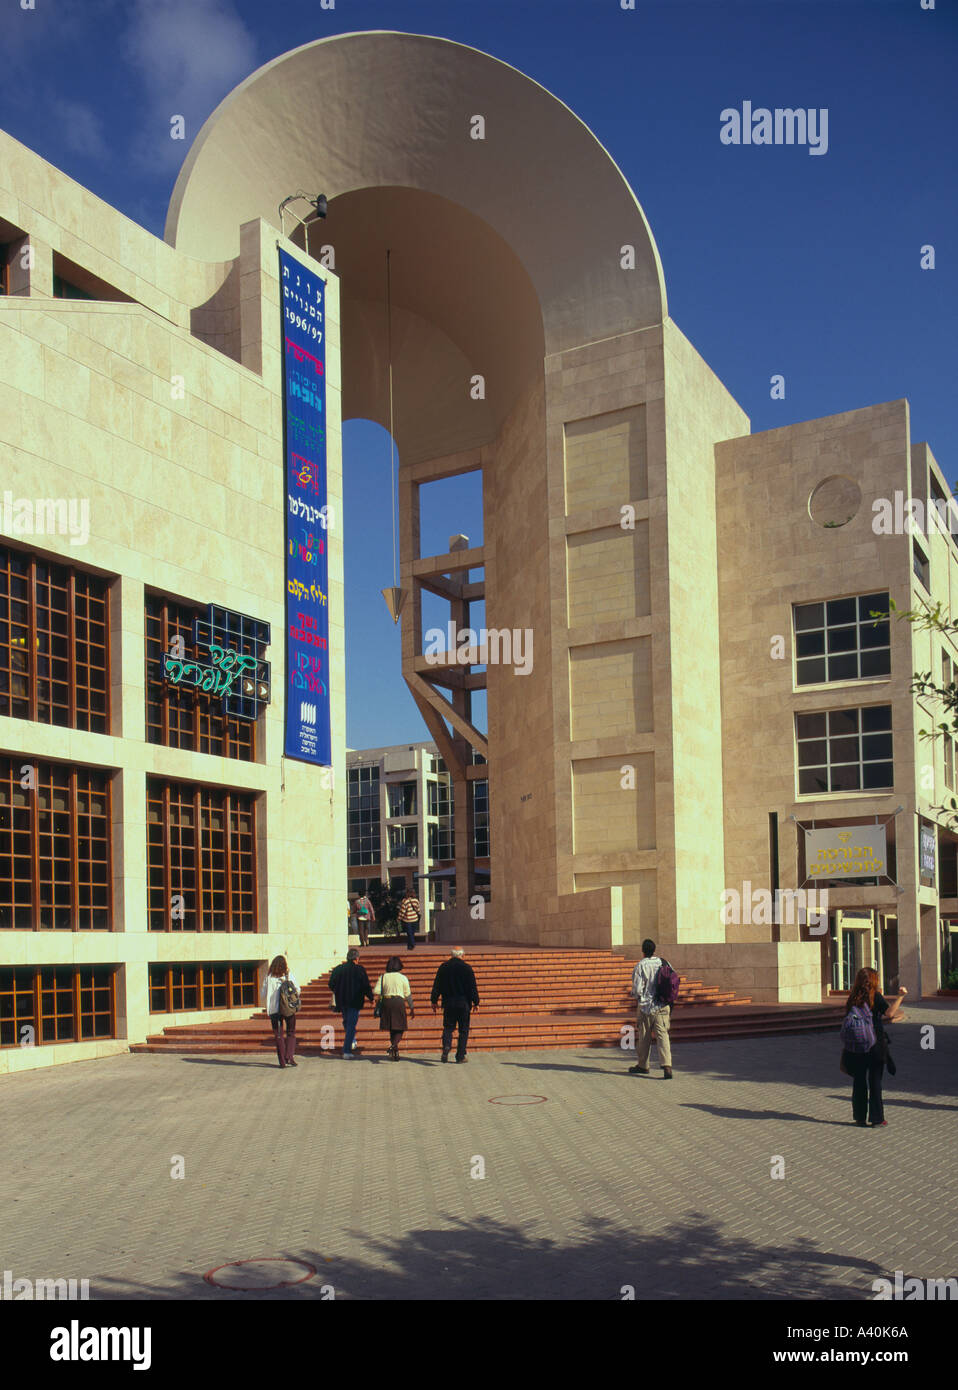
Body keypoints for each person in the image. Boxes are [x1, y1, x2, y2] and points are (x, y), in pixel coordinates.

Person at [841, 967, 907, 1127]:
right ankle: (877, 1119)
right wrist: (900, 996)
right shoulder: (875, 996)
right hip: (875, 1045)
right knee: (875, 1081)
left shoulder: (852, 998)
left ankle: (859, 1117)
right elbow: (890, 1014)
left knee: (859, 1080)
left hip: (857, 1046)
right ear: (874, 981)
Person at [628, 938, 673, 1079]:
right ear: (654, 950)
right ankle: (667, 1066)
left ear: (643, 950)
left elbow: (637, 989)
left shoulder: (641, 966)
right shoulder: (664, 962)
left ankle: (643, 1065)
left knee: (644, 1037)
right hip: (662, 1005)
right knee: (663, 1035)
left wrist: (635, 996)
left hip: (646, 1007)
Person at [430, 947, 480, 1062]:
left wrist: (434, 1000)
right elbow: (472, 987)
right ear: (462, 955)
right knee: (463, 1030)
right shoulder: (467, 968)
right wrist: (476, 1002)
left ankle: (446, 1046)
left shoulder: (443, 967)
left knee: (448, 1027)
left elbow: (437, 985)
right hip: (463, 1003)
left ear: (451, 955)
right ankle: (460, 1055)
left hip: (448, 1003)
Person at [328, 947, 374, 1058]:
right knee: (351, 1025)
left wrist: (338, 990)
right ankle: (347, 1050)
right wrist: (371, 998)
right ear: (357, 958)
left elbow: (331, 983)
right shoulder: (360, 970)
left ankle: (351, 1040)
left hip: (342, 1000)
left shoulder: (339, 969)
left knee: (347, 1022)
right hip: (355, 1001)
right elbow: (366, 986)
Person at [261, 955, 299, 1069]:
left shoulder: (268, 977)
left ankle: (282, 1061)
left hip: (274, 1010)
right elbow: (297, 989)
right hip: (288, 1008)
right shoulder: (288, 975)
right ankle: (289, 1056)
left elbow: (262, 994)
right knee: (291, 1032)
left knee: (278, 1035)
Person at [373, 955, 414, 1060]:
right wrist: (412, 1007)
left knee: (391, 1027)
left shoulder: (383, 977)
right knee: (400, 1027)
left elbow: (376, 991)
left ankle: (394, 1052)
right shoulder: (403, 977)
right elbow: (407, 994)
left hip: (386, 1002)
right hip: (398, 1002)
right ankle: (393, 1046)